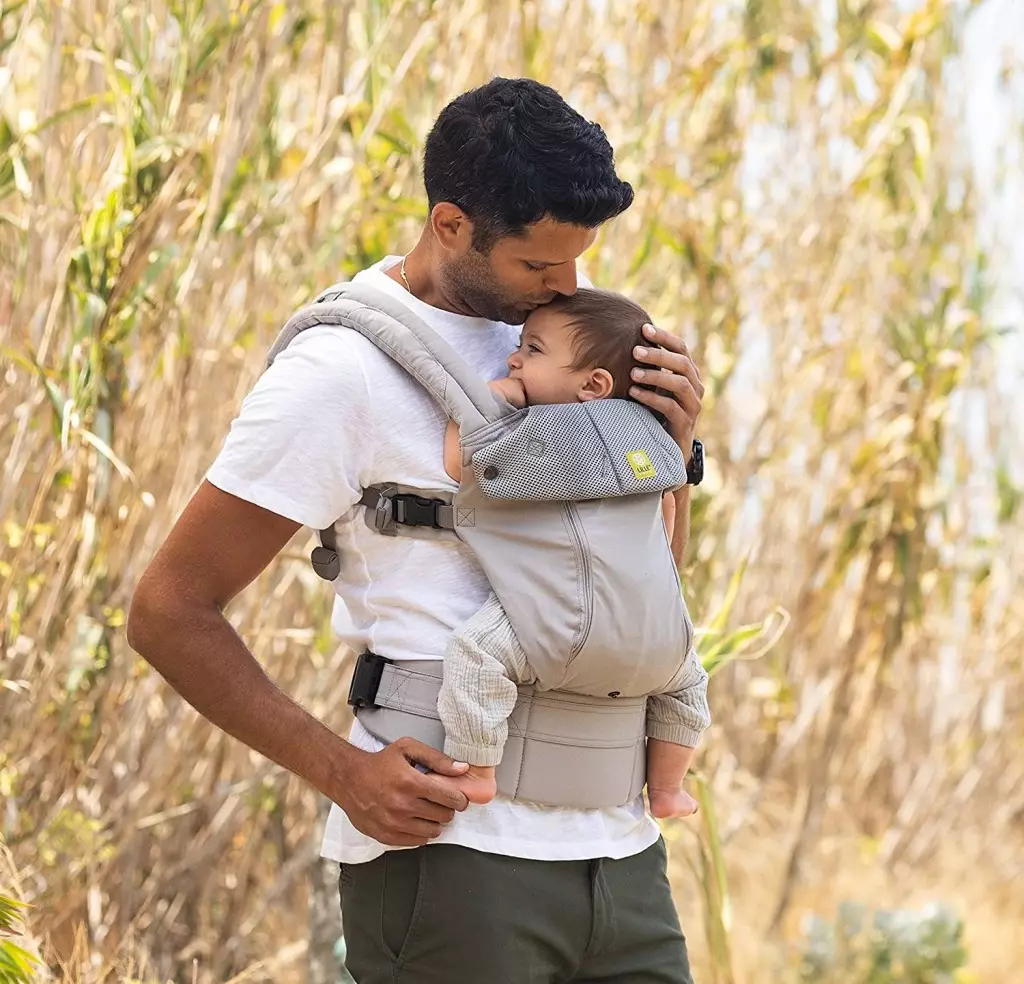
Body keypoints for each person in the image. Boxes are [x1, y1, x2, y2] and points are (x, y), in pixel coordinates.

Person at [127, 77, 706, 983]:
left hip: (622, 854)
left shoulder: (582, 347)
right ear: (449, 224)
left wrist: (669, 457)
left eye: (578, 261)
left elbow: (643, 594)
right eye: (537, 267)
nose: (566, 287)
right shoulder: (342, 372)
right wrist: (341, 774)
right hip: (456, 862)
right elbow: (169, 609)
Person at [438, 286, 711, 818]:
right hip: (653, 637)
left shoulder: (548, 434)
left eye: (533, 350)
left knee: (475, 655)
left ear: (593, 385)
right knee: (688, 685)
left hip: (555, 623)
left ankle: (477, 768)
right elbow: (666, 532)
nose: (514, 358)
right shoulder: (655, 439)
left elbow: (462, 462)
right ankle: (668, 788)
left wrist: (492, 396)